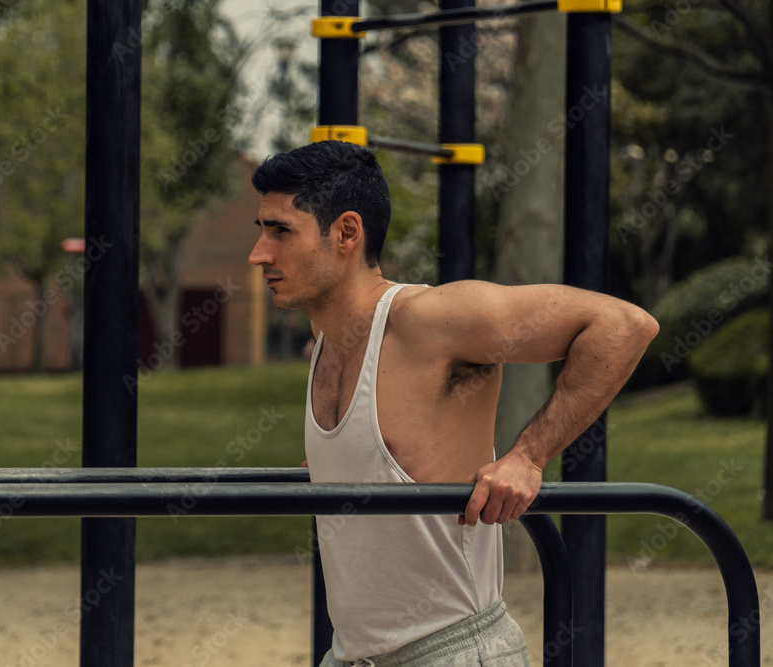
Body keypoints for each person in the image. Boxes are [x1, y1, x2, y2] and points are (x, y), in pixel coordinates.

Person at [247, 140, 658, 667]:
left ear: (347, 233)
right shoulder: (326, 342)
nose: (259, 253)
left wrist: (528, 455)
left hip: (453, 651)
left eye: (281, 231)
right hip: (351, 656)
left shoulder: (430, 320)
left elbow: (623, 325)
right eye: (261, 230)